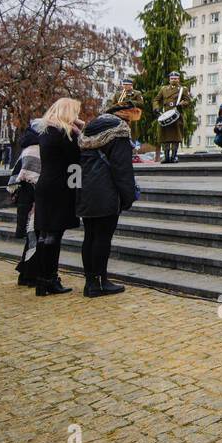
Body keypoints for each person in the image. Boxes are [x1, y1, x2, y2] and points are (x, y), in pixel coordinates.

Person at [76, 99, 140, 297]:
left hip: (86, 189)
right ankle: (100, 282)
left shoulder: (89, 129)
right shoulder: (119, 131)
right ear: (127, 114)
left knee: (90, 236)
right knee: (103, 238)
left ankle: (90, 281)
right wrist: (128, 196)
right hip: (106, 191)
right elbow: (122, 168)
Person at [31, 98, 85, 296]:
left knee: (45, 234)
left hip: (45, 185)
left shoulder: (46, 131)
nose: (78, 116)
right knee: (54, 234)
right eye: (76, 112)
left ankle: (42, 279)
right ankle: (50, 280)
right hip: (60, 187)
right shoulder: (66, 133)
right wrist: (81, 131)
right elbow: (76, 160)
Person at [8, 117, 43, 286]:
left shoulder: (29, 146)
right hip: (32, 199)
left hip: (28, 198)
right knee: (34, 235)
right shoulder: (35, 148)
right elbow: (31, 175)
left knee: (34, 236)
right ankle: (29, 274)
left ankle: (26, 272)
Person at [153, 70, 192, 163]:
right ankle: (166, 157)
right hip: (165, 115)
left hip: (177, 115)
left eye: (175, 78)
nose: (173, 80)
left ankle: (174, 156)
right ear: (169, 79)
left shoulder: (183, 89)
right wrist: (156, 108)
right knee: (165, 137)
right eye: (172, 78)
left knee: (176, 137)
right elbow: (156, 100)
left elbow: (188, 101)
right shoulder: (163, 89)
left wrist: (182, 104)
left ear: (178, 79)